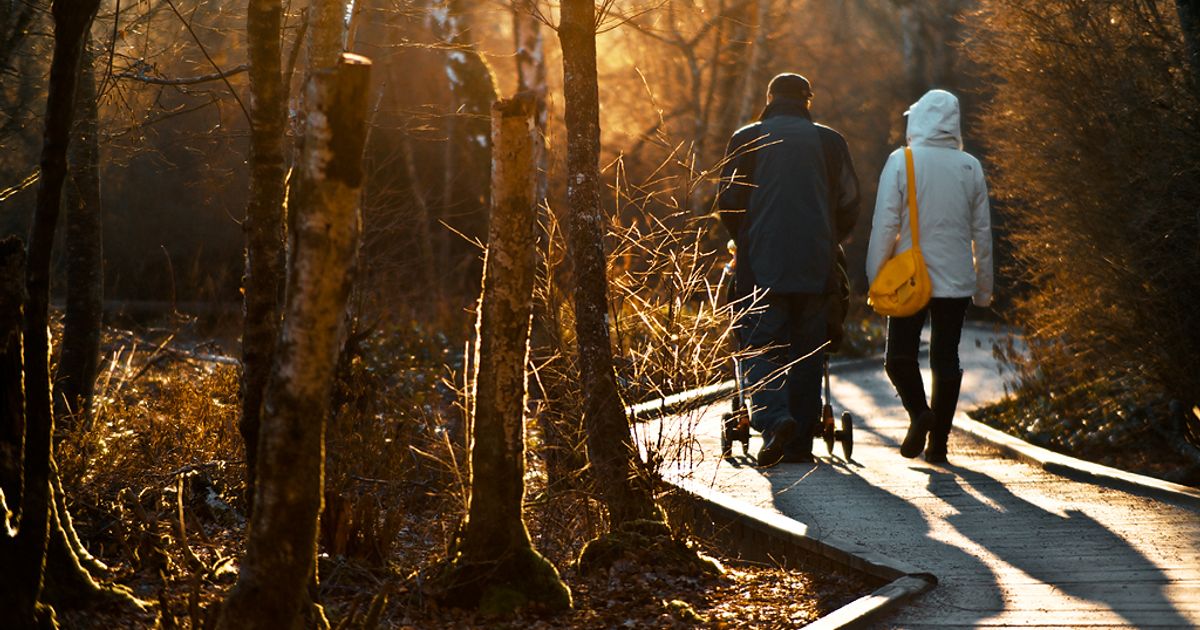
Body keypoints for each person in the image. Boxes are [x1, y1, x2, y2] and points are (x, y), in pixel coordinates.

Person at [718, 73, 860, 466]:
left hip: (761, 264)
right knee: (807, 350)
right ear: (807, 102)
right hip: (816, 265)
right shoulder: (831, 142)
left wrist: (745, 238)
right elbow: (850, 201)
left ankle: (775, 419)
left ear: (769, 99)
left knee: (762, 344)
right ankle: (798, 443)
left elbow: (727, 200)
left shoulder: (746, 139)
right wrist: (831, 238)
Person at [865, 89, 993, 464]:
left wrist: (876, 279)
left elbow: (885, 224)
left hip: (908, 281)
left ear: (916, 120)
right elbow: (981, 232)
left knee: (898, 357)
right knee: (945, 359)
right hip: (955, 280)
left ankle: (920, 412)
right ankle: (939, 444)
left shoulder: (901, 161)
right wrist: (984, 289)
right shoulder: (970, 166)